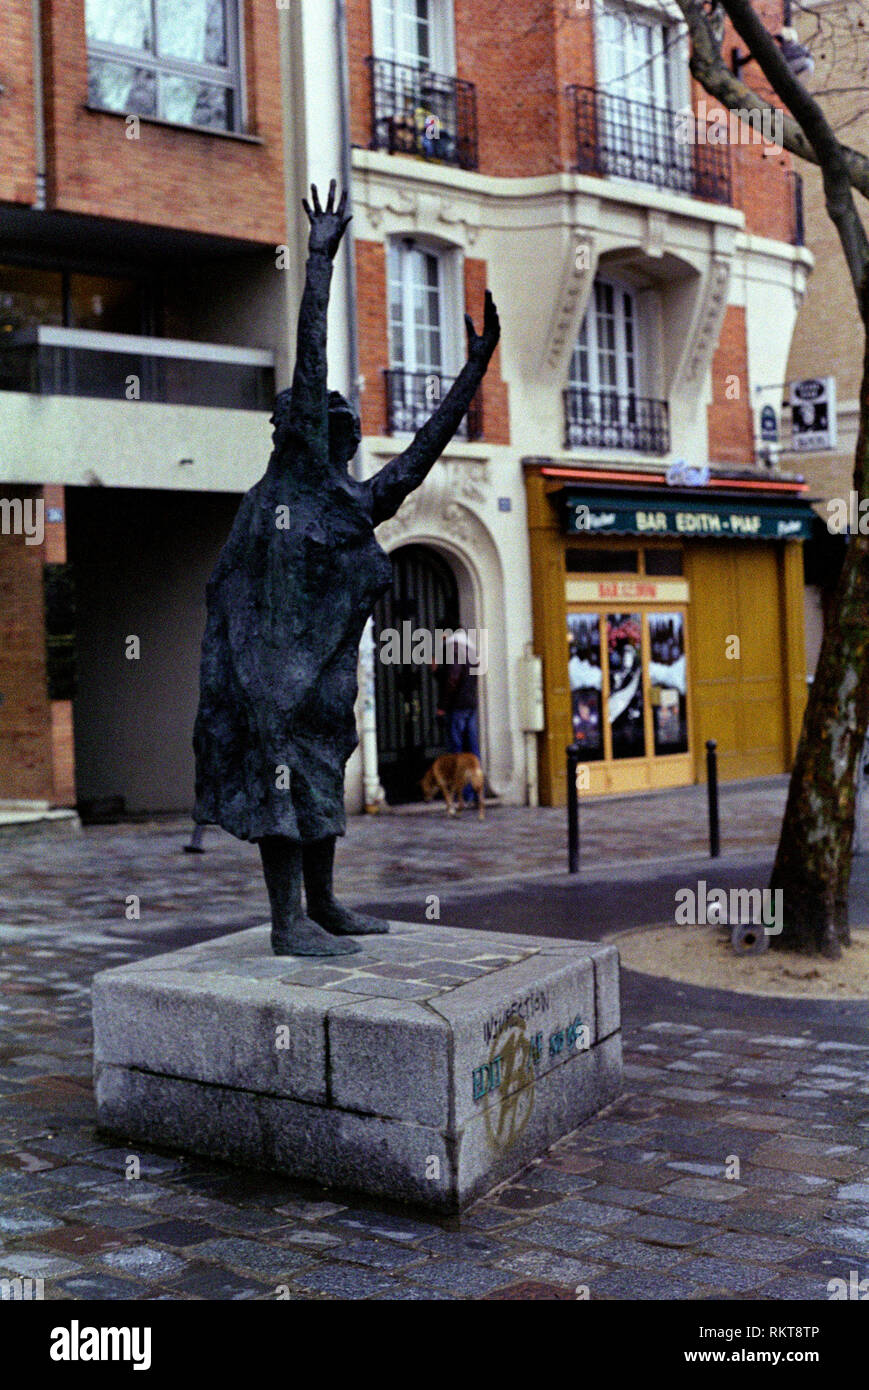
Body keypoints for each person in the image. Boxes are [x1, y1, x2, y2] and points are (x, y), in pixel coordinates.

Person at [193, 181, 500, 956]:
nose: (352, 434)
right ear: (307, 432)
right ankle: (286, 919)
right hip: (270, 672)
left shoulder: (352, 500)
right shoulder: (294, 478)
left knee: (322, 776)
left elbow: (424, 453)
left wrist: (474, 371)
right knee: (282, 786)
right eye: (339, 425)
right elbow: (310, 357)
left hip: (323, 675)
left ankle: (324, 902)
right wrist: (320, 257)